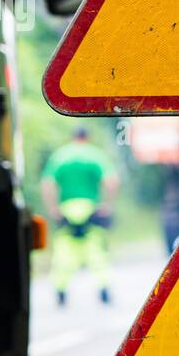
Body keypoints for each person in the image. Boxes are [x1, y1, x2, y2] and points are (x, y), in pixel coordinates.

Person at [41, 127, 119, 306]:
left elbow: (47, 184)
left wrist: (53, 209)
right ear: (87, 138)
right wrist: (107, 205)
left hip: (66, 209)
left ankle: (60, 290)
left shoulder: (60, 156)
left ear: (72, 137)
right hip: (90, 208)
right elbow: (111, 182)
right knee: (96, 251)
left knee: (63, 252)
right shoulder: (95, 155)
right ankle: (104, 289)